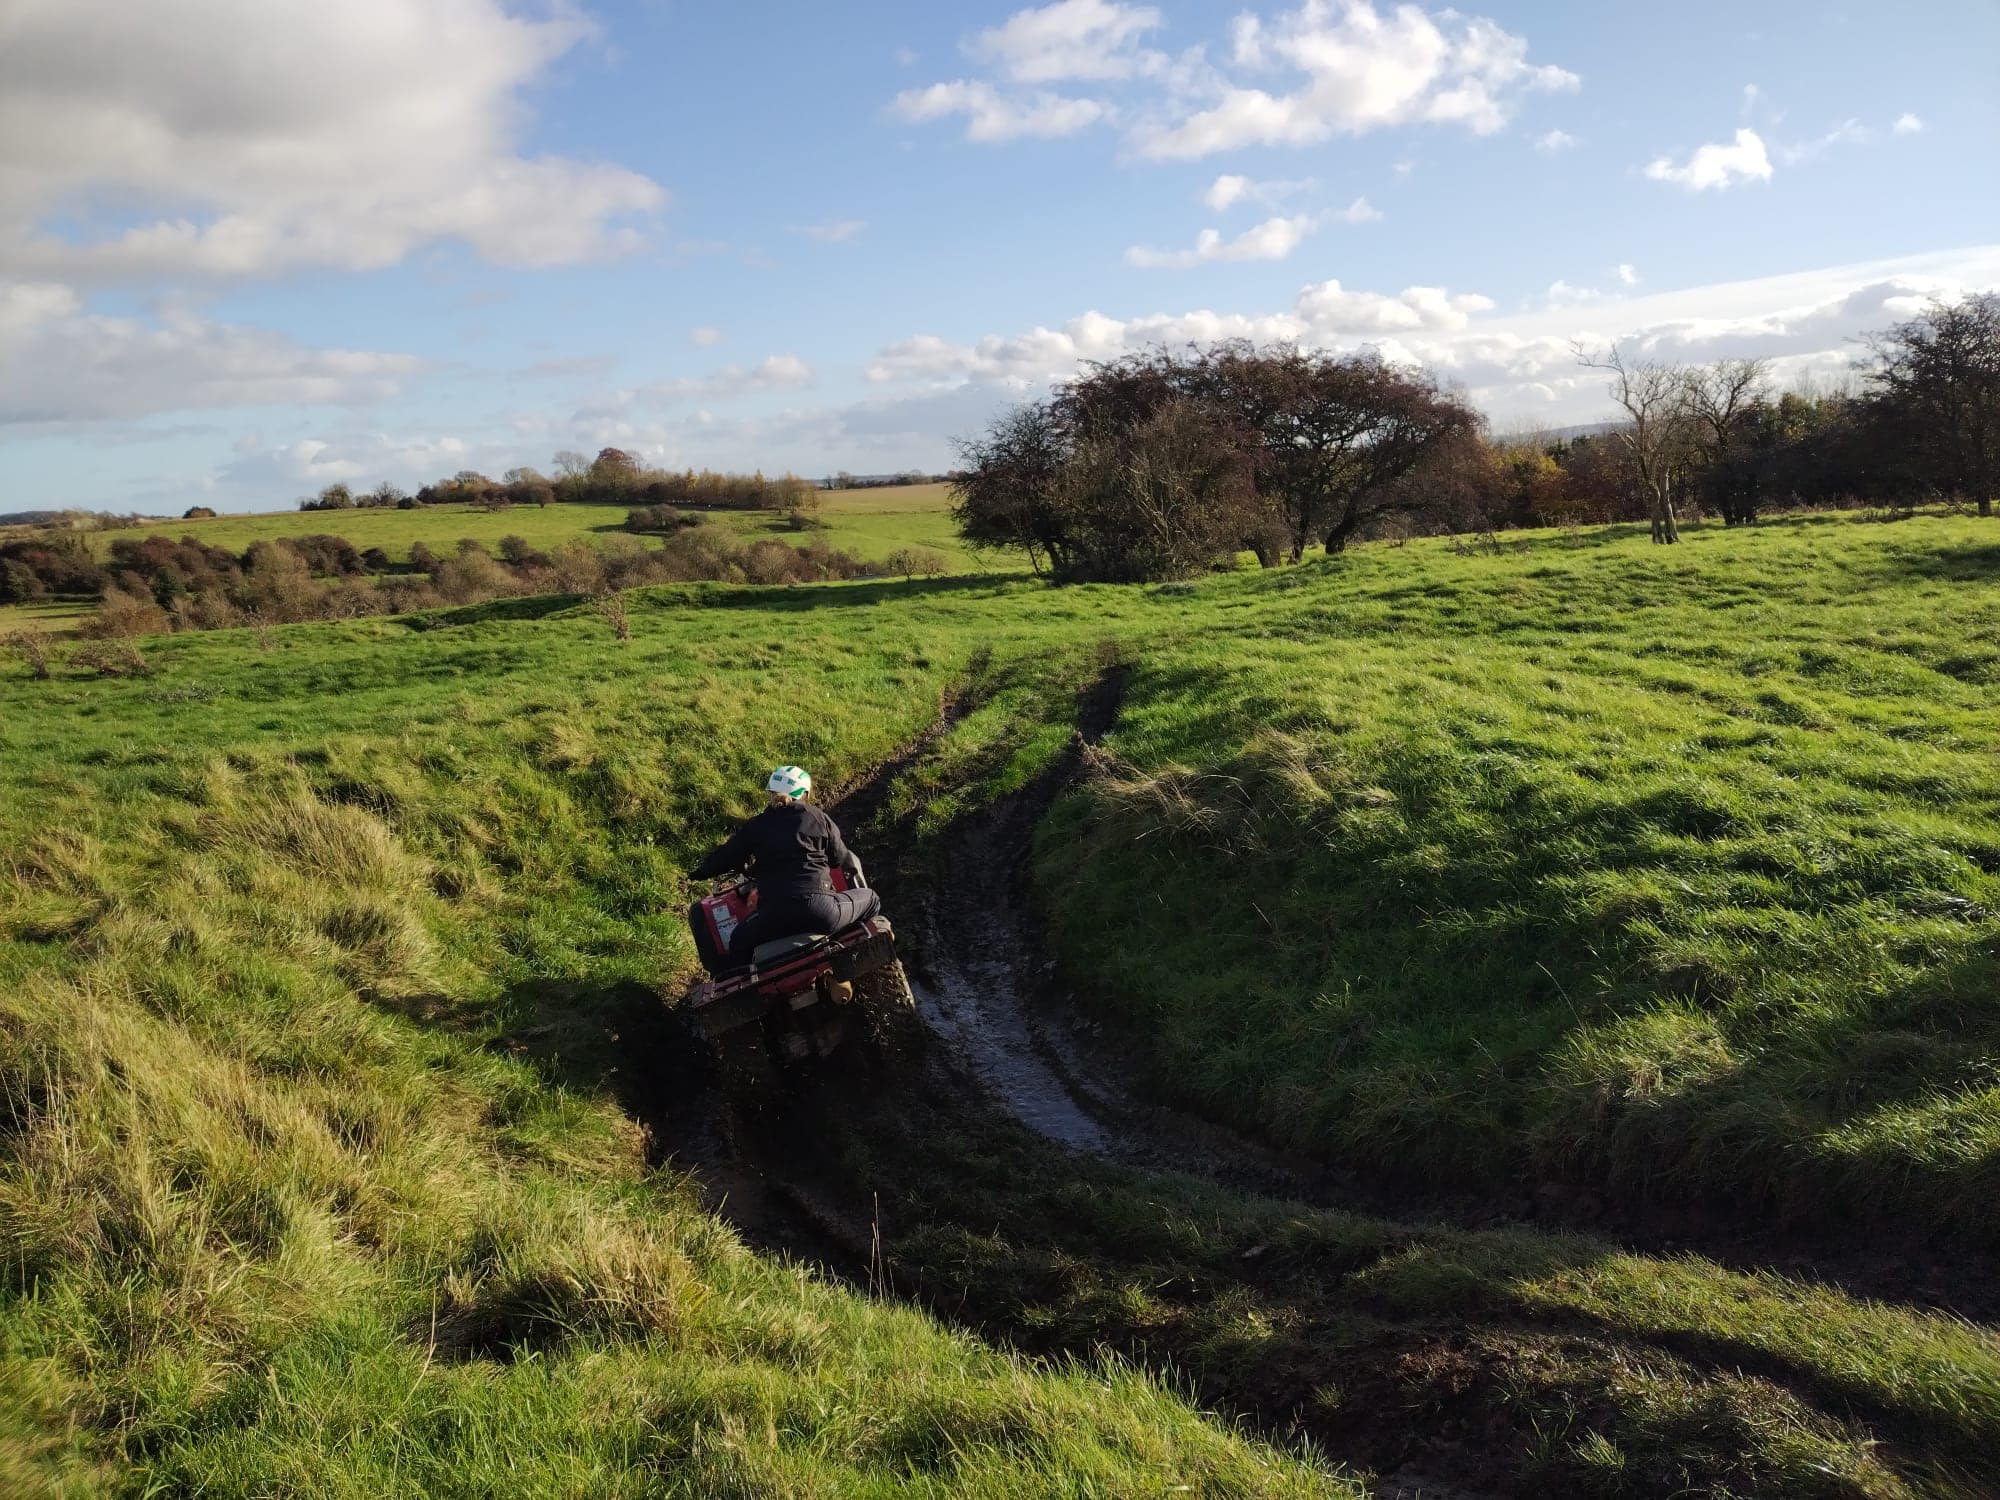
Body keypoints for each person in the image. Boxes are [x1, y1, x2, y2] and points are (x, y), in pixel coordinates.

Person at [692, 764, 881, 967]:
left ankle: (755, 987)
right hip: (820, 912)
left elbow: (723, 857)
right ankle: (859, 962)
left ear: (771, 793)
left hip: (772, 917)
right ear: (804, 794)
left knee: (737, 942)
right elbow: (838, 859)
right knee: (871, 899)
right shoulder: (817, 817)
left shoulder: (755, 826)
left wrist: (697, 873)